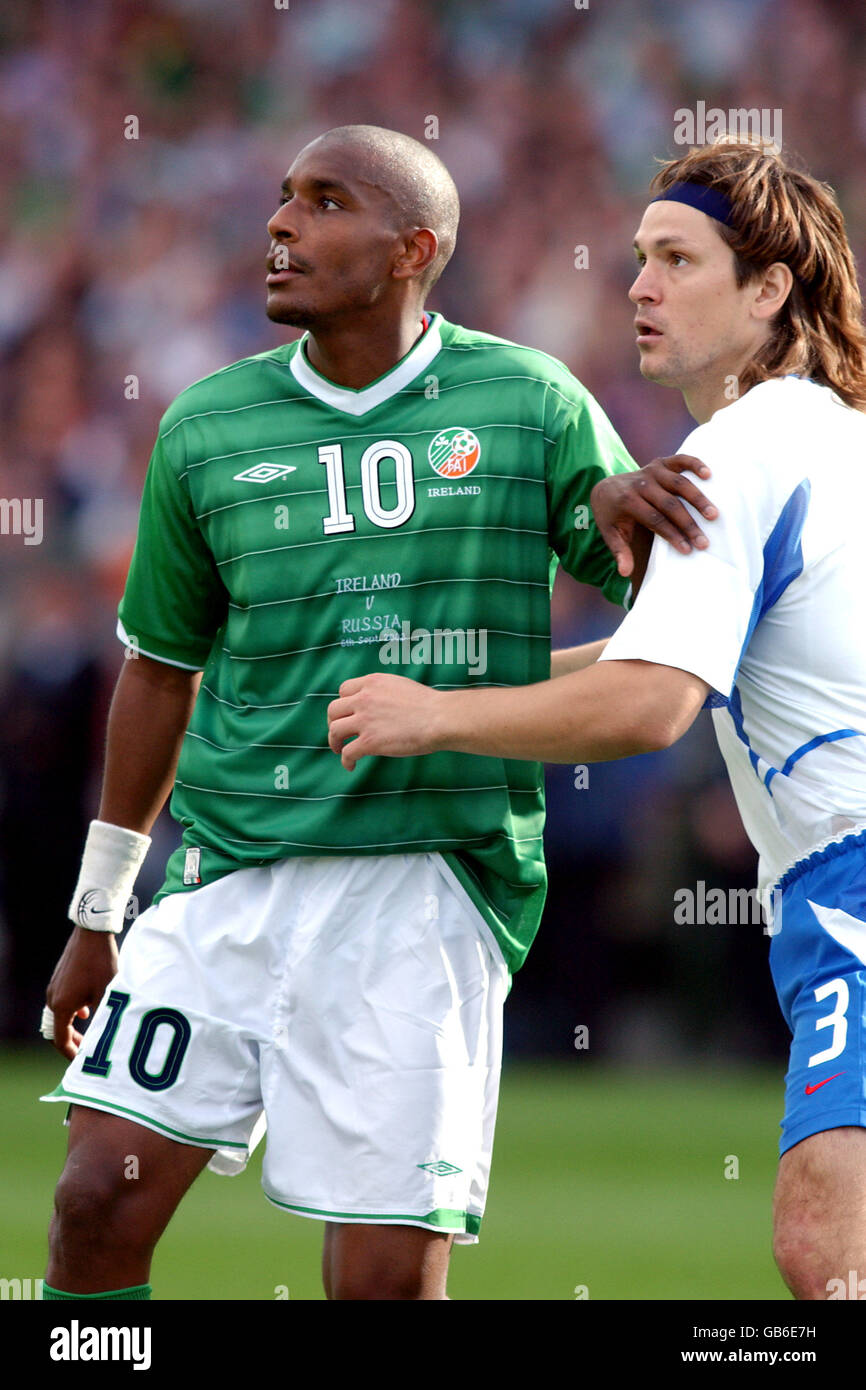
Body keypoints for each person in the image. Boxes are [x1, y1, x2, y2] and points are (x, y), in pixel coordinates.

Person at [38, 124, 705, 1302]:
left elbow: (659, 596)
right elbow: (158, 670)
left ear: (412, 248)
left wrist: (626, 519)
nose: (279, 225)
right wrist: (102, 905)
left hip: (424, 890)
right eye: (282, 199)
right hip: (226, 876)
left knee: (381, 1282)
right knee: (93, 1200)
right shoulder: (205, 424)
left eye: (322, 201)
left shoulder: (527, 400)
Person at [329, 139, 866, 1301]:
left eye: (675, 258)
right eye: (636, 258)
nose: (636, 284)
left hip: (853, 876)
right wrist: (448, 686)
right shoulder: (830, 433)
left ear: (768, 289)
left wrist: (435, 719)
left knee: (827, 1249)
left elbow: (646, 702)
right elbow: (649, 651)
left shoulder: (741, 446)